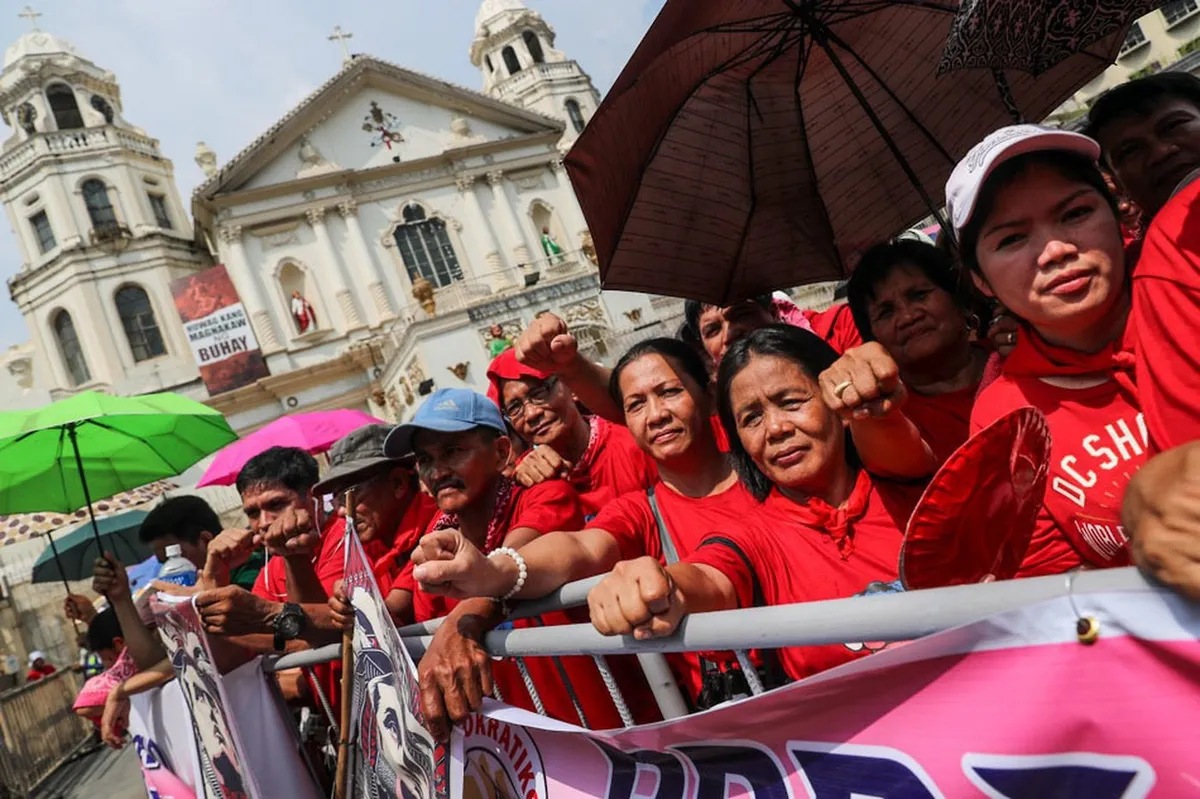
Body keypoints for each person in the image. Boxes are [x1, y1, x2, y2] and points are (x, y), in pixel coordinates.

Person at [411, 338, 766, 718]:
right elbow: (580, 548)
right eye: (636, 405)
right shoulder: (637, 508)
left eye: (670, 392)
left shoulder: (770, 465)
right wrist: (492, 573)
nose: (656, 414)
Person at [585, 326, 923, 683]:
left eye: (791, 401)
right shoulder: (751, 538)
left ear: (835, 397)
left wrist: (872, 384)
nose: (775, 428)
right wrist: (657, 585)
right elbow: (707, 577)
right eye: (751, 418)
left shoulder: (909, 484)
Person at [333, 388, 654, 729]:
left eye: (453, 452)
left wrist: (458, 627)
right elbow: (394, 609)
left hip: (608, 732)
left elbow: (509, 560)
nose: (437, 471)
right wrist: (349, 606)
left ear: (501, 452)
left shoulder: (544, 495)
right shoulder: (435, 536)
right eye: (425, 460)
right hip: (513, 752)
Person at [948, 124, 1140, 576]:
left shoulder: (1185, 293)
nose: (1054, 250)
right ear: (979, 279)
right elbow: (1051, 583)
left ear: (1117, 214)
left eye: (1075, 213)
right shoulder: (1003, 419)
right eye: (1012, 239)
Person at [510, 295, 862, 425]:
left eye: (742, 314)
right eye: (712, 329)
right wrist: (570, 366)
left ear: (773, 311)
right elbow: (625, 401)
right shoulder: (716, 402)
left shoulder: (837, 332)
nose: (731, 334)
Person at [842, 239, 992, 464]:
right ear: (872, 339)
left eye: (919, 295)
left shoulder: (1019, 354)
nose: (908, 317)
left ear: (958, 298)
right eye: (886, 312)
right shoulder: (890, 418)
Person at [486, 348, 656, 520]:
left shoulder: (635, 442)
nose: (531, 414)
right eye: (514, 408)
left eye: (539, 393)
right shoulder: (528, 478)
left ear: (571, 387)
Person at [1085, 72, 1200, 232]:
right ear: (1117, 183)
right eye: (1130, 151)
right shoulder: (1145, 256)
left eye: (1173, 126)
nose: (1160, 153)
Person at [137, 495, 264, 592]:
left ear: (205, 540)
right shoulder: (186, 583)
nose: (171, 569)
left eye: (176, 557)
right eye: (164, 562)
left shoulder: (254, 570)